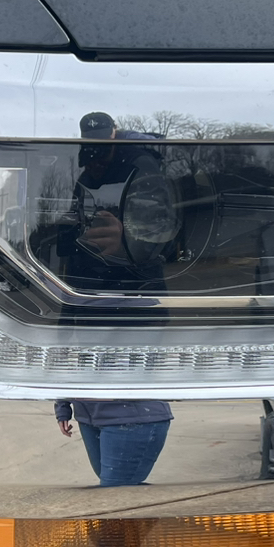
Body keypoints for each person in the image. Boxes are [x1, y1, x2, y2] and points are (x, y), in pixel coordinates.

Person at [55, 111, 174, 486]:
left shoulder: (143, 169)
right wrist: (63, 402)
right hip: (91, 417)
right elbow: (64, 341)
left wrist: (129, 249)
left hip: (133, 418)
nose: (96, 161)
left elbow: (158, 317)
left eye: (103, 153)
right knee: (113, 507)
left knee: (115, 510)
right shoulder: (73, 285)